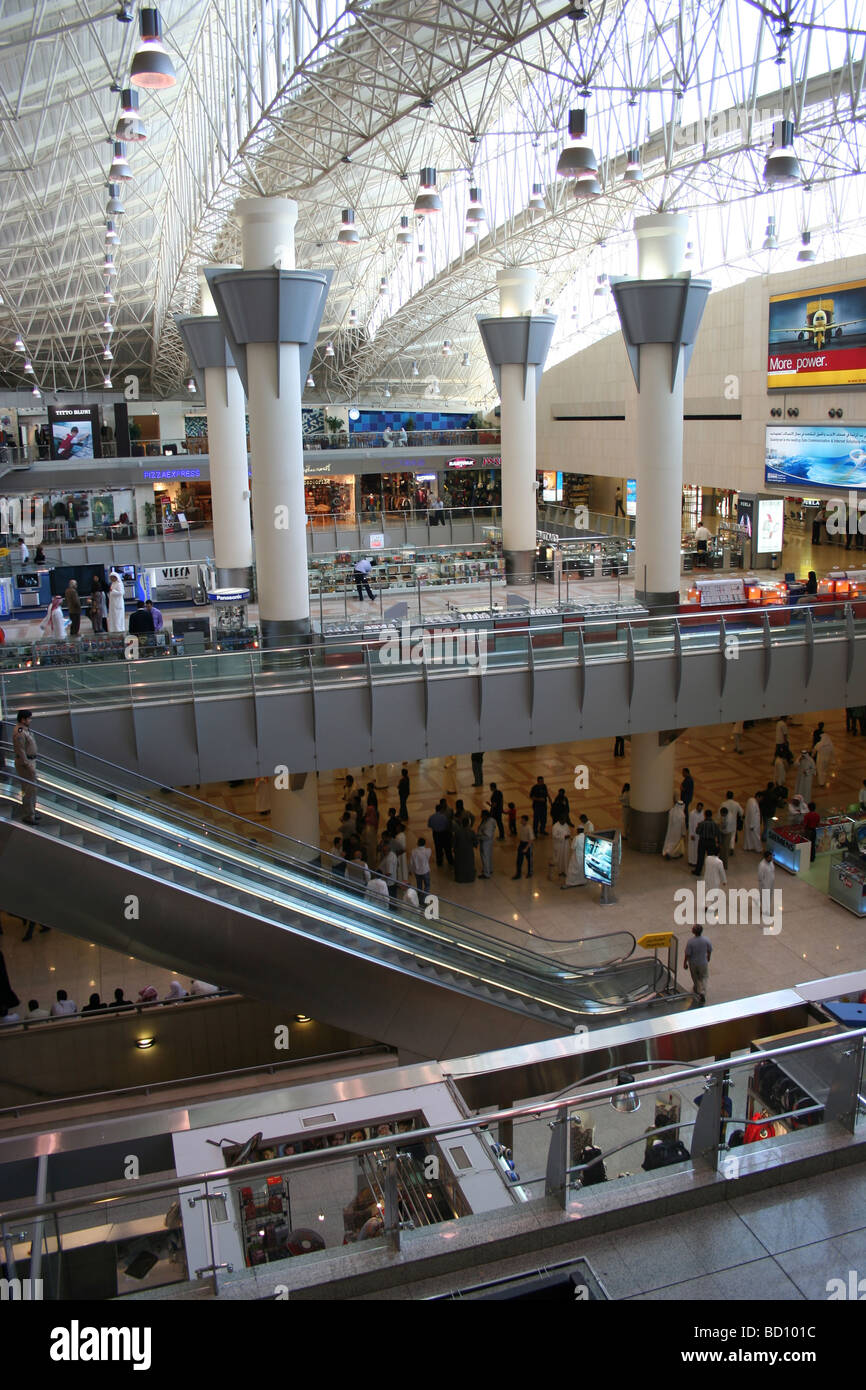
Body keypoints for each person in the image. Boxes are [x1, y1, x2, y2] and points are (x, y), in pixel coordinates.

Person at [13, 708, 40, 825]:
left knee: (32, 790)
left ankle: (32, 812)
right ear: (23, 719)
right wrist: (28, 765)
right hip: (26, 764)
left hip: (30, 761)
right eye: (29, 718)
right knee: (28, 790)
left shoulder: (25, 729)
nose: (30, 720)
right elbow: (20, 750)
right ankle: (28, 815)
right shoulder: (19, 731)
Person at [684, 924, 712, 1003]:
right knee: (704, 977)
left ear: (694, 932)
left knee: (695, 977)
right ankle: (702, 992)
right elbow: (709, 949)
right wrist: (708, 957)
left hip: (693, 963)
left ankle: (697, 988)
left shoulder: (690, 942)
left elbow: (687, 954)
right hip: (703, 962)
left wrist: (685, 963)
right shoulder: (706, 940)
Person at [693, 808, 720, 876]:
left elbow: (697, 832)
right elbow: (717, 833)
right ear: (711, 815)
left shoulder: (701, 823)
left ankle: (698, 871)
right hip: (711, 842)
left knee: (700, 857)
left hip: (702, 841)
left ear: (705, 815)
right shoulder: (714, 824)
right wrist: (718, 842)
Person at [427, 801, 453, 867]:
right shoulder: (444, 817)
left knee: (438, 848)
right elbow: (447, 825)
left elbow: (429, 825)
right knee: (447, 848)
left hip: (436, 834)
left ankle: (439, 862)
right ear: (441, 809)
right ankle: (450, 861)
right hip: (444, 834)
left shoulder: (431, 817)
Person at [453, 816, 477, 883]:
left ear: (462, 823)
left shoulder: (457, 832)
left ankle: (460, 878)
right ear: (468, 824)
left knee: (460, 865)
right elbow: (475, 842)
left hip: (459, 851)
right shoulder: (471, 832)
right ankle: (469, 878)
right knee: (469, 864)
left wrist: (454, 849)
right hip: (469, 851)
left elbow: (454, 842)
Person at [720, 791, 743, 859]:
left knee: (725, 836)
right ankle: (731, 848)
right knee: (732, 835)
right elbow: (741, 812)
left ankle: (724, 848)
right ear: (733, 796)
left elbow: (719, 813)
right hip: (733, 823)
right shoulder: (736, 804)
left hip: (725, 822)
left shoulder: (723, 804)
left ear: (726, 796)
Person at [477, 809, 496, 878]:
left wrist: (479, 837)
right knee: (488, 856)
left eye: (482, 815)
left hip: (485, 842)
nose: (481, 816)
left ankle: (486, 873)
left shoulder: (488, 824)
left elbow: (487, 835)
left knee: (485, 857)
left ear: (485, 816)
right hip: (488, 842)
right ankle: (489, 869)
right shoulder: (491, 820)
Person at [687, 801, 704, 867]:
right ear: (696, 807)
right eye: (699, 808)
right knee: (692, 848)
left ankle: (696, 861)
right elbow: (690, 824)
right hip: (693, 834)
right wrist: (691, 834)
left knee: (697, 848)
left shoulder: (702, 813)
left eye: (701, 808)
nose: (700, 809)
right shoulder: (692, 813)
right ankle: (691, 861)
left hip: (699, 834)